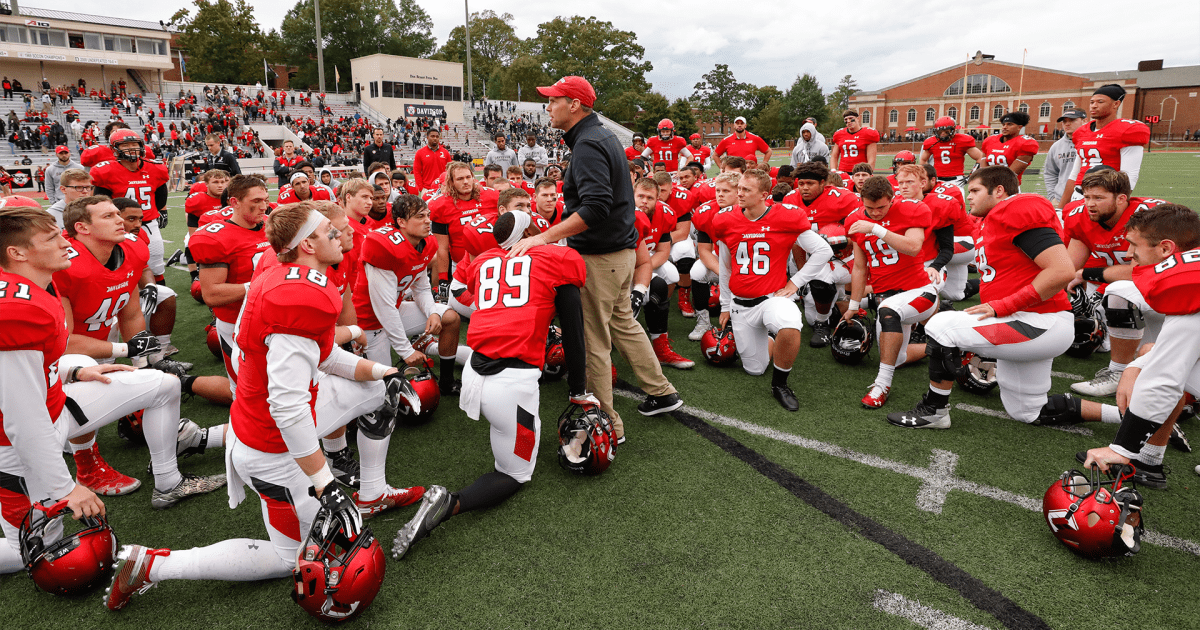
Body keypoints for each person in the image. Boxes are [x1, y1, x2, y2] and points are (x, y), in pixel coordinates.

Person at [103, 203, 412, 612]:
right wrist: (324, 481)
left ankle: (372, 489)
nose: (340, 236)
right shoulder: (298, 296)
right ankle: (153, 565)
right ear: (306, 246)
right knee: (291, 558)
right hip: (272, 447)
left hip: (263, 424)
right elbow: (287, 407)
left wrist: (379, 370)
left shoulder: (279, 272)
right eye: (329, 233)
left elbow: (323, 354)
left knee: (379, 391)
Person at [393, 209, 593, 560]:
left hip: (474, 374)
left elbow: (470, 295)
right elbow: (575, 336)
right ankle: (451, 504)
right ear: (532, 230)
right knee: (515, 474)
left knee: (510, 433)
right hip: (510, 384)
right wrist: (578, 392)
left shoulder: (485, 258)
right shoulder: (557, 258)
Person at [509, 76, 682, 443]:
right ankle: (662, 391)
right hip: (619, 254)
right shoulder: (600, 136)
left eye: (553, 100)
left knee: (594, 343)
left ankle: (608, 427)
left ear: (574, 104)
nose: (548, 107)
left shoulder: (588, 144)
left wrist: (544, 237)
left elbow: (597, 207)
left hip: (601, 258)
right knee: (624, 325)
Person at [886, 166, 1074, 429]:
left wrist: (1002, 306)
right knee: (1027, 411)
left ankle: (935, 411)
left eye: (974, 190)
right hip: (1030, 321)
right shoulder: (992, 219)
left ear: (999, 191)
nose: (969, 197)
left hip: (1040, 321)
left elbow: (1062, 270)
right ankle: (1121, 417)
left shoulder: (1018, 208)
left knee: (942, 326)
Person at [0, 202, 106, 579]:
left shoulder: (35, 286)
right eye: (52, 237)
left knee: (158, 384)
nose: (66, 242)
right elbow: (22, 420)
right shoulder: (16, 307)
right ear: (18, 252)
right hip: (14, 439)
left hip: (50, 406)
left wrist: (75, 369)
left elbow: (34, 368)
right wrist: (65, 487)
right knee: (44, 553)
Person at [1079, 204, 1200, 485]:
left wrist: (1120, 450)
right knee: (1151, 357)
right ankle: (1148, 462)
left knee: (1158, 369)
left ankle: (1142, 459)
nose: (1128, 254)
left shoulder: (1186, 286)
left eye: (1134, 245)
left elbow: (1165, 378)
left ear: (1167, 249)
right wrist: (1133, 367)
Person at [709, 170, 832, 411]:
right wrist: (725, 305)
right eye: (739, 188)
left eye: (746, 190)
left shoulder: (785, 216)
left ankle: (780, 384)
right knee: (754, 369)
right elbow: (725, 268)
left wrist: (794, 283)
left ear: (765, 194)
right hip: (740, 304)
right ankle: (769, 337)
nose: (739, 194)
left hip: (771, 298)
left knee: (789, 321)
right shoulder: (725, 219)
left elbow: (823, 251)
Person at [1064, 169, 1167, 397]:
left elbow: (1142, 273)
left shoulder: (1151, 216)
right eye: (1087, 197)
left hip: (1168, 287)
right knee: (1148, 359)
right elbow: (1068, 269)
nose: (1090, 204)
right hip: (1129, 285)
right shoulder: (1079, 216)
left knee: (1117, 294)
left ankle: (1118, 373)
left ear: (1122, 198)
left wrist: (1088, 275)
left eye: (1098, 198)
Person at [353, 194, 461, 395]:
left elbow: (421, 287)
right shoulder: (382, 246)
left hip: (395, 308)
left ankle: (446, 381)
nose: (428, 220)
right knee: (382, 390)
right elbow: (383, 305)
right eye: (420, 216)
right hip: (368, 321)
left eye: (427, 215)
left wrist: (432, 312)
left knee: (450, 318)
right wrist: (405, 350)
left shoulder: (426, 242)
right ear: (401, 222)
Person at [844, 173, 935, 408]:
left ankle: (881, 386)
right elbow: (860, 268)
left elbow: (914, 247)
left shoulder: (912, 209)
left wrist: (876, 228)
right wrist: (854, 305)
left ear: (892, 198)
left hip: (919, 290)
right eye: (869, 208)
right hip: (887, 296)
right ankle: (942, 344)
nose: (875, 212)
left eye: (881, 207)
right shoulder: (855, 220)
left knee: (887, 311)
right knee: (896, 357)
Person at [189, 175, 272, 391]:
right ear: (234, 202)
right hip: (238, 324)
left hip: (274, 318)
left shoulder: (273, 226)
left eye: (265, 199)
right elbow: (212, 294)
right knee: (247, 391)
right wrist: (264, 285)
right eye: (256, 201)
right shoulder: (217, 237)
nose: (264, 206)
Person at [782, 161, 861, 345]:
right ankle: (837, 307)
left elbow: (859, 234)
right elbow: (796, 242)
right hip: (812, 259)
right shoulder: (790, 200)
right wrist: (803, 275)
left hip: (844, 258)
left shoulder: (843, 198)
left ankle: (823, 324)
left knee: (820, 284)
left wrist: (841, 241)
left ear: (823, 183)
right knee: (810, 315)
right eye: (801, 183)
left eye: (810, 183)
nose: (804, 188)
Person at [90, 129, 170, 285]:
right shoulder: (105, 171)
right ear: (115, 149)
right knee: (117, 264)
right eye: (125, 145)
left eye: (134, 144)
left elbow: (161, 199)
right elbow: (100, 202)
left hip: (147, 222)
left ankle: (158, 296)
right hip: (118, 225)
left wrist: (161, 211)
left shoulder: (155, 168)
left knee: (156, 263)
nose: (131, 148)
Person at [1058, 84, 1150, 208]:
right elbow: (1075, 173)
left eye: (1100, 102)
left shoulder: (1127, 130)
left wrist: (1119, 205)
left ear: (1116, 104)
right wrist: (1061, 207)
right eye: (1092, 102)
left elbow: (1129, 175)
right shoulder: (1081, 132)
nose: (1094, 106)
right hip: (1079, 194)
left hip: (1106, 196)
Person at [429, 162, 501, 299]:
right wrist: (444, 280)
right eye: (460, 179)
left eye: (468, 177)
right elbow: (442, 248)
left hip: (494, 260)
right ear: (451, 182)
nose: (466, 182)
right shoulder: (441, 205)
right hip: (462, 266)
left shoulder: (492, 197)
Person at [919, 117, 983, 188]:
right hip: (938, 180)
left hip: (956, 180)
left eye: (946, 131)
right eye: (940, 132)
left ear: (953, 129)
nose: (943, 134)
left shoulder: (962, 140)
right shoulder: (931, 142)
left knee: (957, 199)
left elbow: (980, 157)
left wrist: (972, 175)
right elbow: (923, 160)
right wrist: (930, 174)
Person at [980, 112, 1039, 187]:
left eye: (1010, 124)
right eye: (1004, 124)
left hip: (1009, 186)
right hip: (988, 185)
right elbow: (983, 169)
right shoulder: (990, 140)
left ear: (1019, 127)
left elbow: (1011, 174)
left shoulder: (1026, 143)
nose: (1005, 127)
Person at [1043, 108, 1086, 206]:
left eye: (1072, 120)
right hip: (1061, 199)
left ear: (1084, 121)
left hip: (1088, 199)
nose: (1067, 124)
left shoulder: (1093, 142)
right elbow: (1050, 173)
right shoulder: (1056, 146)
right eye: (1064, 121)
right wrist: (1052, 197)